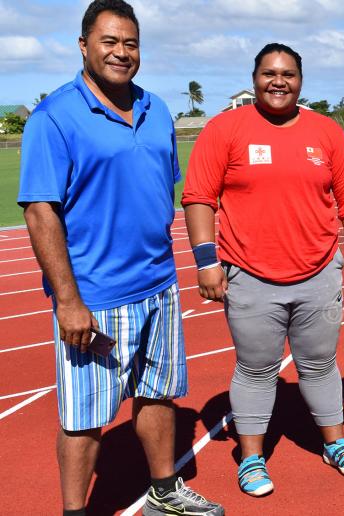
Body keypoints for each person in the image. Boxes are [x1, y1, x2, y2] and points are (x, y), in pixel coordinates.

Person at [17, 1, 222, 515]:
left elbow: (159, 191)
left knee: (158, 395)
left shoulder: (156, 110)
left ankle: (164, 492)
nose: (121, 52)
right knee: (84, 417)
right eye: (109, 42)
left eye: (130, 43)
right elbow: (41, 212)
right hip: (95, 296)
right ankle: (75, 511)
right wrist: (67, 300)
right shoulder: (54, 116)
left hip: (159, 285)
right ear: (84, 45)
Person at [182, 43, 344, 494]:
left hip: (320, 271)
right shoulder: (224, 128)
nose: (278, 81)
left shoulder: (326, 132)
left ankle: (335, 441)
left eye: (288, 73)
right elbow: (198, 197)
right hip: (249, 274)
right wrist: (207, 263)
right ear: (254, 80)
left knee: (320, 363)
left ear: (301, 81)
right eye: (269, 73)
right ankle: (251, 457)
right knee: (255, 367)